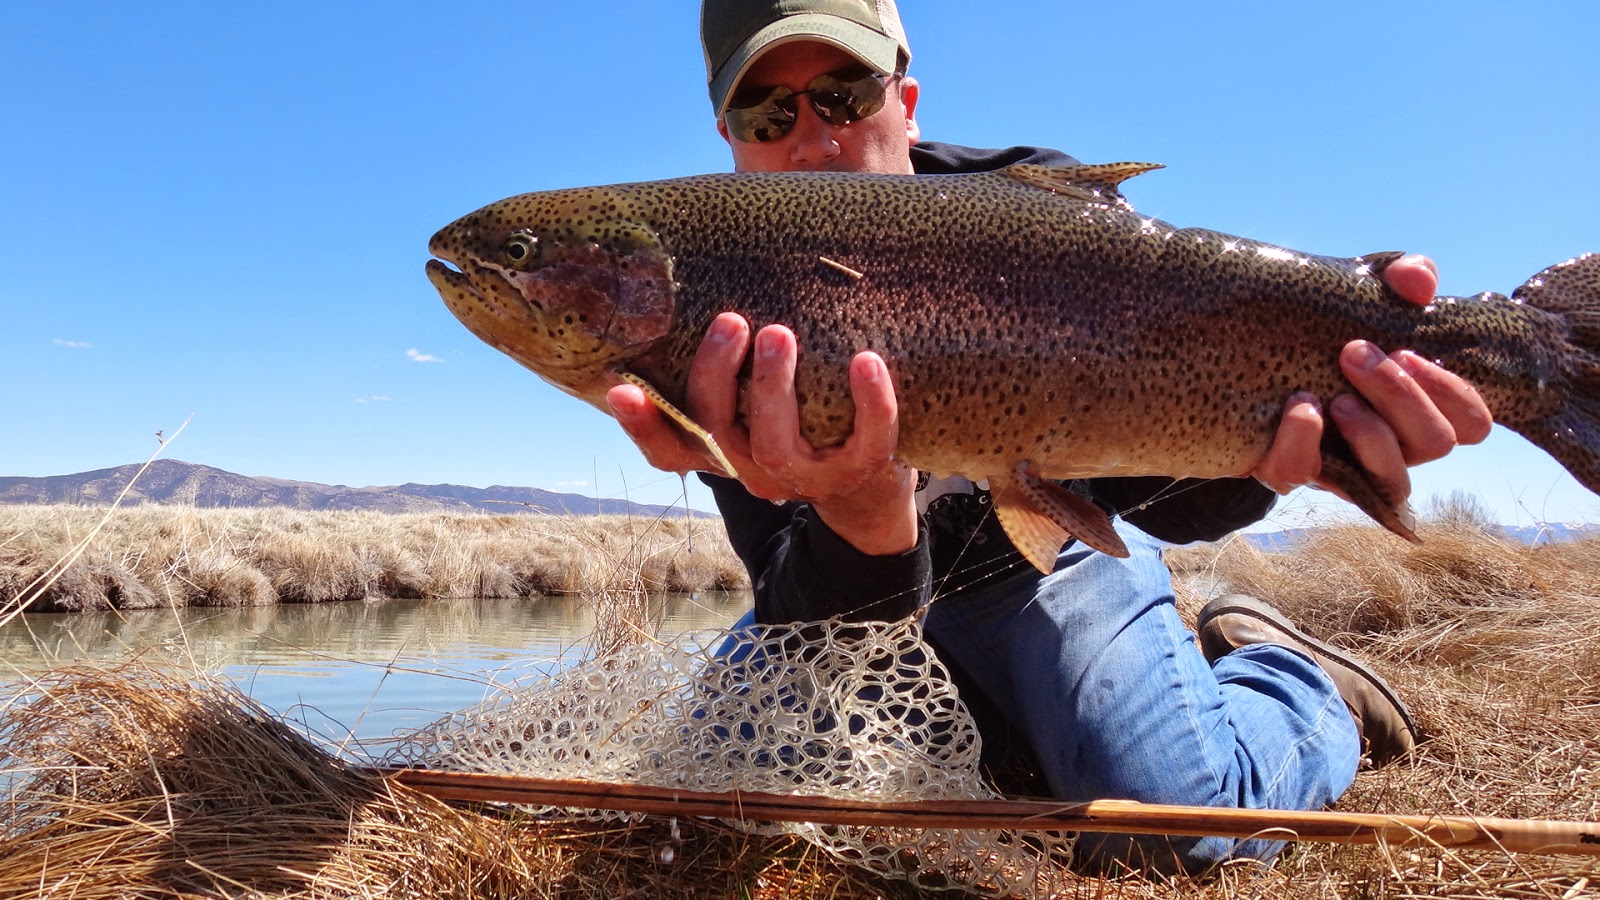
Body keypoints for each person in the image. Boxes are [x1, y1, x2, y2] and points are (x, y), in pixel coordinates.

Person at [607, 0, 1495, 875]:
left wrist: (1289, 445)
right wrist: (865, 517)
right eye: (768, 111)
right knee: (719, 786)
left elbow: (1177, 503)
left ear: (904, 105)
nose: (811, 136)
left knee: (1168, 828)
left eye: (843, 92)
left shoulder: (1039, 218)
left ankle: (1296, 684)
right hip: (859, 589)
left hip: (1051, 568)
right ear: (731, 139)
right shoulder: (722, 301)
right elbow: (807, 615)